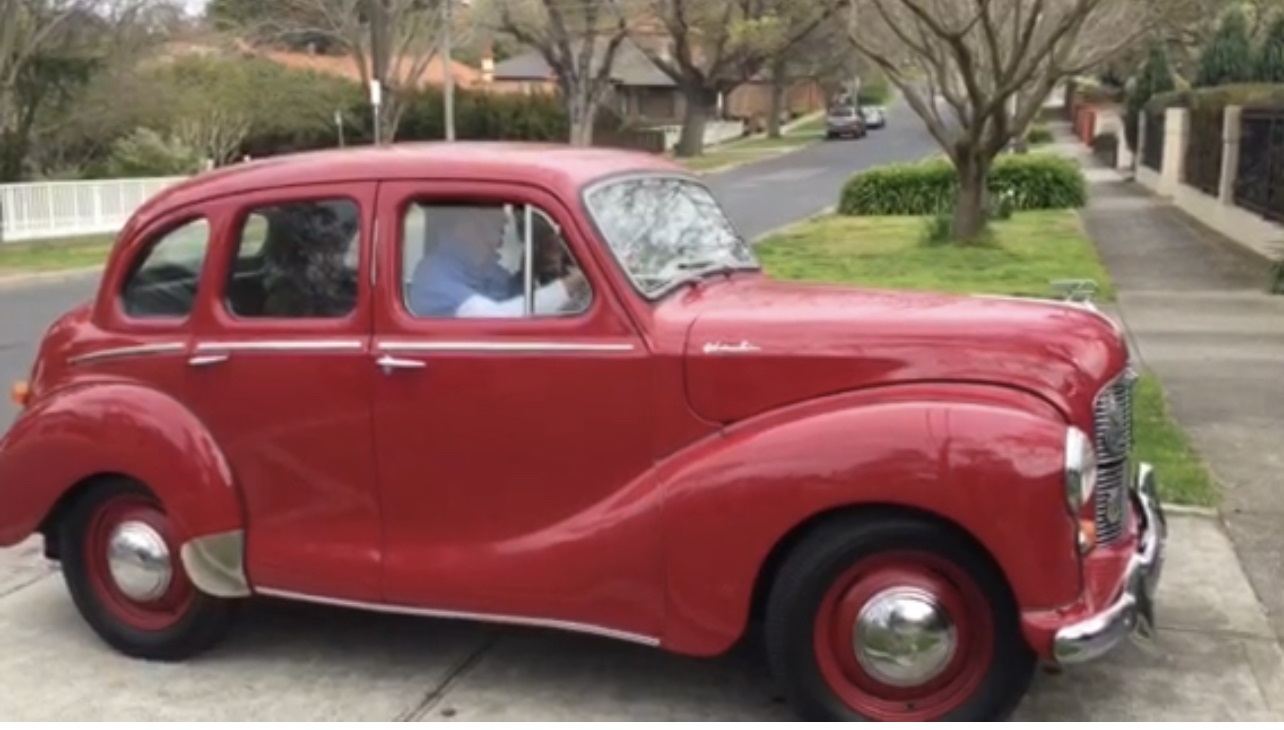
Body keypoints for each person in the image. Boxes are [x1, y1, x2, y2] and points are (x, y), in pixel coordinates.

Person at [408, 206, 588, 318]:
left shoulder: (489, 269)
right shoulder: (433, 276)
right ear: (469, 219)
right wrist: (571, 284)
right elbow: (495, 318)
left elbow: (518, 301)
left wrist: (532, 269)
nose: (505, 217)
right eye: (495, 206)